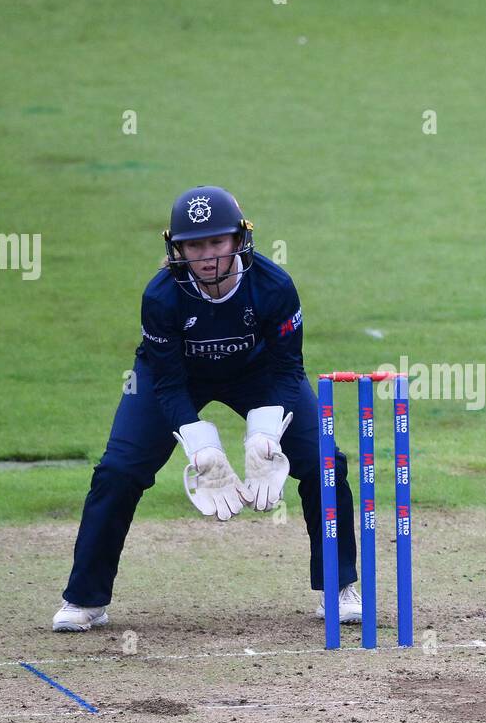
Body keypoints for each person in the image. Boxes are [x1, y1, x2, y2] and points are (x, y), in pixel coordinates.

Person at [52, 186, 361, 631]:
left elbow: (288, 368)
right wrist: (199, 444)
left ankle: (339, 588)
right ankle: (85, 599)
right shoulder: (162, 297)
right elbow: (169, 381)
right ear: (177, 247)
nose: (207, 255)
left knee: (325, 463)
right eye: (195, 245)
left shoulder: (274, 286)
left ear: (238, 239)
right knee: (118, 471)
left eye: (216, 242)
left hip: (260, 376)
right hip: (175, 378)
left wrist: (264, 432)